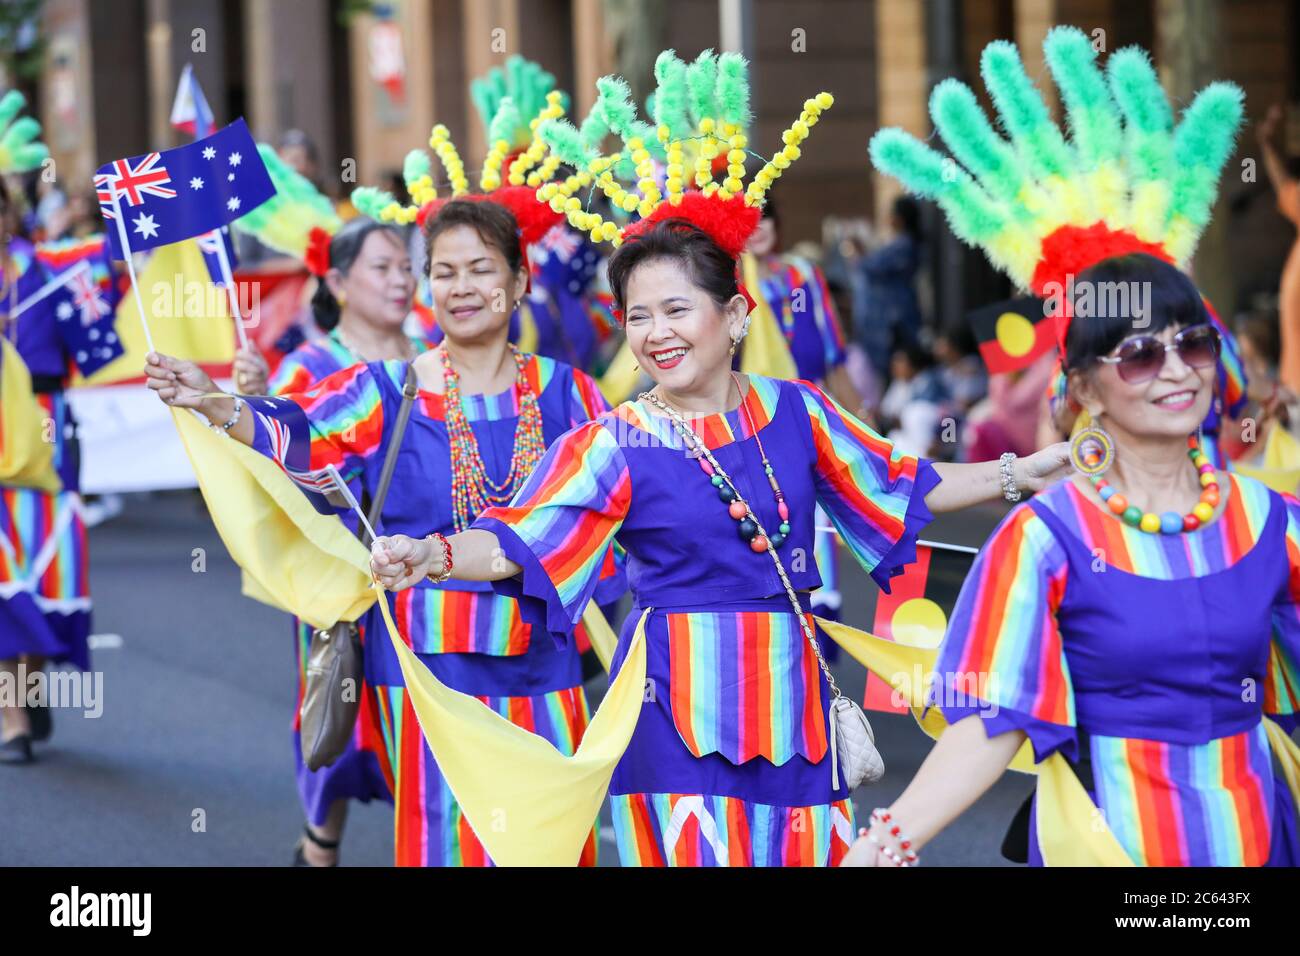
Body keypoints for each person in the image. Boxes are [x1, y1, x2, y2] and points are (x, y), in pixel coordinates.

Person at [368, 214, 1071, 866]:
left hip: (793, 711)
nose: (655, 332)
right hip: (670, 715)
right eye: (638, 316)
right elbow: (518, 541)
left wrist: (1019, 472)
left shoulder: (798, 411)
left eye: (676, 309)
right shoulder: (615, 440)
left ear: (733, 315)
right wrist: (431, 555)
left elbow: (902, 482)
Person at [145, 197, 618, 866]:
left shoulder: (572, 396)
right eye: (445, 271)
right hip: (427, 666)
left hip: (544, 664)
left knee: (547, 842)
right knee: (440, 842)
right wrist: (217, 402)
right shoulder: (387, 390)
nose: (461, 288)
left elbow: (615, 511)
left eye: (482, 269)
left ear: (519, 281)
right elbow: (302, 432)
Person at [843, 254, 1300, 867]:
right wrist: (884, 843)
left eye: (1193, 345)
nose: (1176, 372)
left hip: (1257, 844)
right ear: (1084, 386)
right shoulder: (1044, 537)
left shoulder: (1271, 519)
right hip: (1104, 847)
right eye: (1140, 354)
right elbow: (992, 716)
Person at [234, 216, 429, 867]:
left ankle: (431, 841)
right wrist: (258, 408)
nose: (401, 279)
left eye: (406, 265)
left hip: (434, 575)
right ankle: (321, 844)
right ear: (340, 282)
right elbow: (281, 474)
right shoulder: (309, 366)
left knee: (430, 723)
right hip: (342, 582)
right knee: (341, 716)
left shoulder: (436, 350)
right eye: (383, 267)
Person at [0, 180, 92, 765]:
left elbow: (97, 336)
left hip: (47, 430)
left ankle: (30, 684)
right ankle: (10, 716)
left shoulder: (49, 268)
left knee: (50, 576)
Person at [854, 196, 923, 381]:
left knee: (895, 370)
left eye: (891, 215)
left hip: (895, 320)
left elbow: (870, 266)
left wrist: (859, 251)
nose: (888, 219)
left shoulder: (904, 244)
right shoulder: (898, 242)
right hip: (888, 320)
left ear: (900, 218)